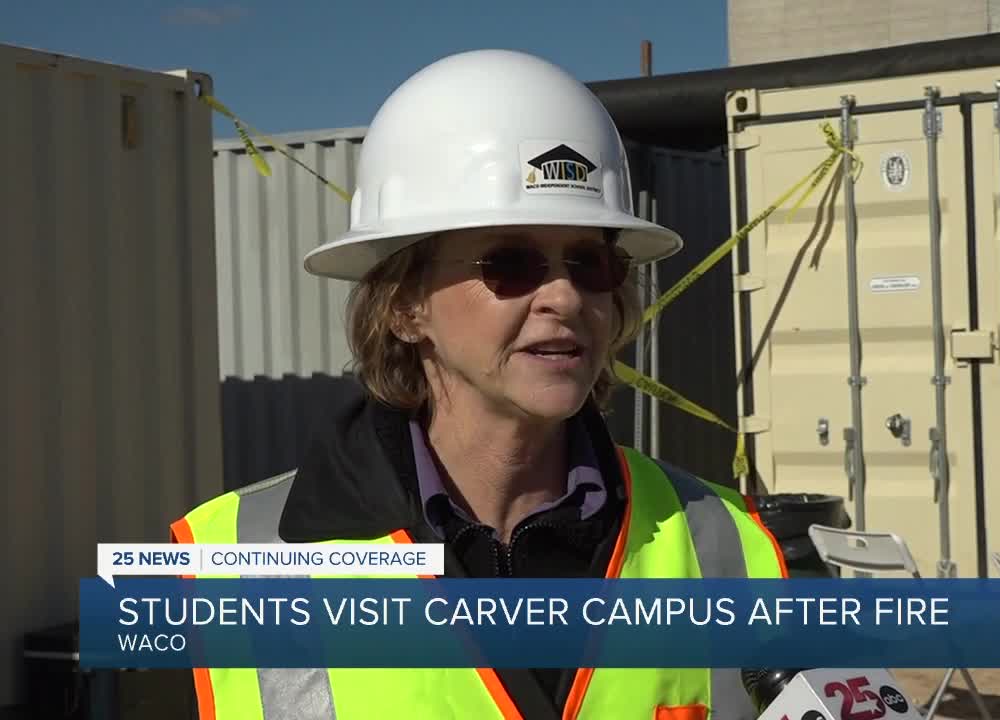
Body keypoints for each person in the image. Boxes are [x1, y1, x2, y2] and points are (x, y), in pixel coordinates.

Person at [170, 49, 788, 720]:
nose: (564, 295)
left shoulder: (730, 544)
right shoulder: (226, 567)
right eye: (511, 262)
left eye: (590, 263)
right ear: (405, 303)